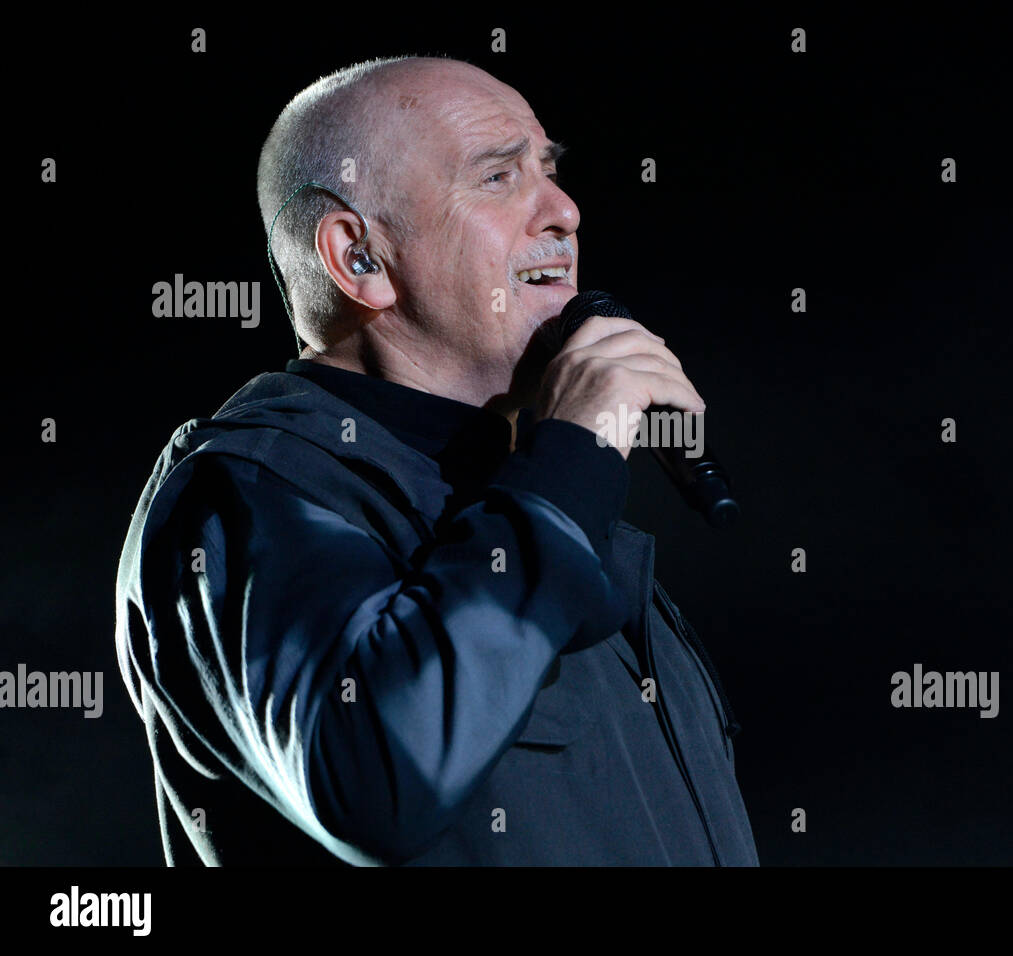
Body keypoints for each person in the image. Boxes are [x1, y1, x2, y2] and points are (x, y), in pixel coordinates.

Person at [113, 55, 759, 866]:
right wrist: (573, 459)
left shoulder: (541, 504)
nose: (565, 211)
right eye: (497, 177)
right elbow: (376, 780)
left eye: (550, 173)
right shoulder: (249, 490)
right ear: (359, 259)